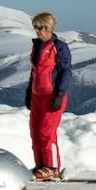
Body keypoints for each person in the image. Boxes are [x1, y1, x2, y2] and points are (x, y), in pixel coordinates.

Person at [26, 13, 74, 181]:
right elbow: (35, 71)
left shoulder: (59, 47)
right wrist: (28, 92)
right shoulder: (37, 46)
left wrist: (60, 94)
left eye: (39, 27)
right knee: (35, 130)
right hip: (36, 95)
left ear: (47, 27)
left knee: (47, 131)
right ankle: (40, 166)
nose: (37, 31)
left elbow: (66, 71)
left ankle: (52, 167)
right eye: (35, 27)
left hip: (52, 96)